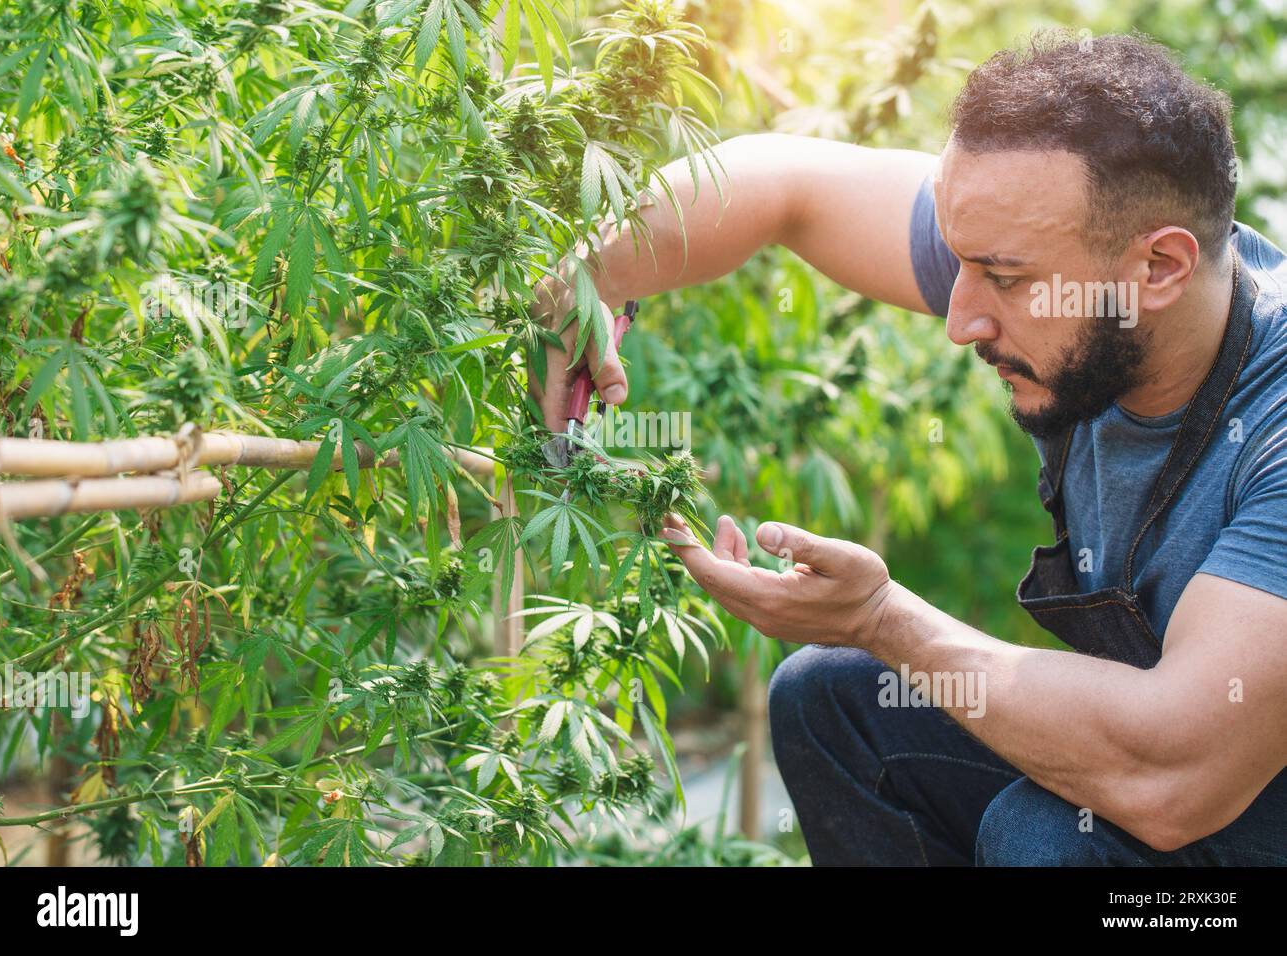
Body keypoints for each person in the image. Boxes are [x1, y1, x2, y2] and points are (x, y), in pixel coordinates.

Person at [528, 31, 1287, 865]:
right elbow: (781, 185)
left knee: (1045, 842)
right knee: (831, 701)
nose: (961, 320)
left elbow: (1178, 776)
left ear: (1161, 267)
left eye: (1003, 278)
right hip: (1184, 763)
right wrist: (587, 288)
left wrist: (879, 619)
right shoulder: (1083, 262)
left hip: (1220, 775)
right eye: (960, 264)